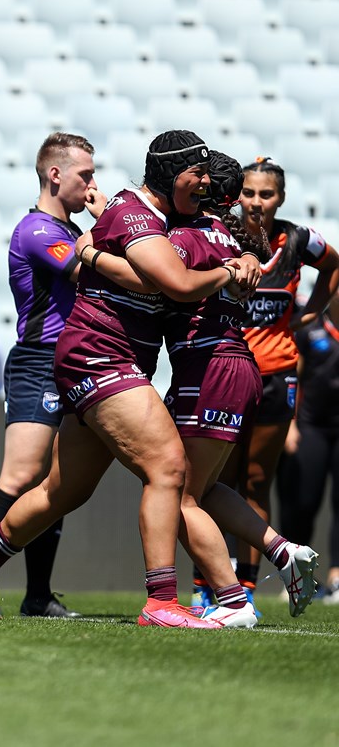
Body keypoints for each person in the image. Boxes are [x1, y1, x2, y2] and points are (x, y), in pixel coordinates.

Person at [0, 130, 261, 628]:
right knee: (169, 468)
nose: (205, 182)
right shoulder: (135, 213)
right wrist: (224, 271)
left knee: (61, 492)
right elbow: (171, 284)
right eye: (196, 173)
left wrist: (239, 259)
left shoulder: (158, 216)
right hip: (100, 354)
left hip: (112, 356)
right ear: (169, 175)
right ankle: (161, 602)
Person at [81, 150, 318, 624]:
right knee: (203, 489)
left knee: (177, 492)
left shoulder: (186, 237)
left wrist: (90, 246)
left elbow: (160, 281)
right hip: (238, 366)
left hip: (208, 368)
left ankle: (233, 602)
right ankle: (282, 552)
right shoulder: (229, 237)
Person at [0, 132, 106, 619]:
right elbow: (86, 272)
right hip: (39, 360)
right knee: (22, 475)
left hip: (74, 360)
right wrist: (107, 222)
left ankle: (38, 595)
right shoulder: (38, 230)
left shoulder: (69, 230)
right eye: (85, 175)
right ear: (55, 174)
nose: (92, 184)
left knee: (55, 482)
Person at [218, 157, 339, 608]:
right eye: (248, 193)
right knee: (216, 481)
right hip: (226, 374)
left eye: (265, 194)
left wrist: (313, 313)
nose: (255, 202)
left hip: (276, 374)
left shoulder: (297, 240)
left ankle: (245, 588)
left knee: (254, 481)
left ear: (280, 198)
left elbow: (334, 266)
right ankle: (206, 584)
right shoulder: (223, 235)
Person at [276, 292, 339, 602]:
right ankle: (298, 579)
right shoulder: (311, 328)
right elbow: (292, 376)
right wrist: (289, 424)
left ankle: (337, 578)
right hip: (310, 427)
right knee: (303, 501)